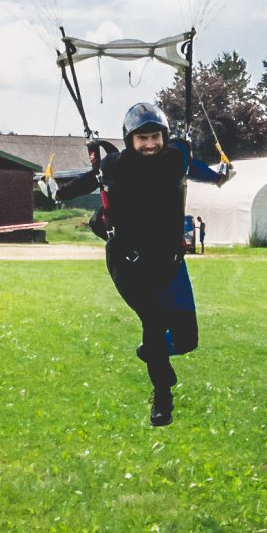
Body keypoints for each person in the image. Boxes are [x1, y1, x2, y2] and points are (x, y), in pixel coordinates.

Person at [56, 102, 230, 427]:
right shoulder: (116, 166)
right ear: (130, 140)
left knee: (187, 340)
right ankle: (162, 395)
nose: (150, 144)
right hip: (129, 264)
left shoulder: (176, 158)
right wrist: (57, 192)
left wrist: (219, 177)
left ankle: (152, 350)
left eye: (155, 137)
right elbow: (88, 180)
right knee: (154, 320)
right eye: (142, 138)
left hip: (170, 262)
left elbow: (195, 168)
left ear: (164, 136)